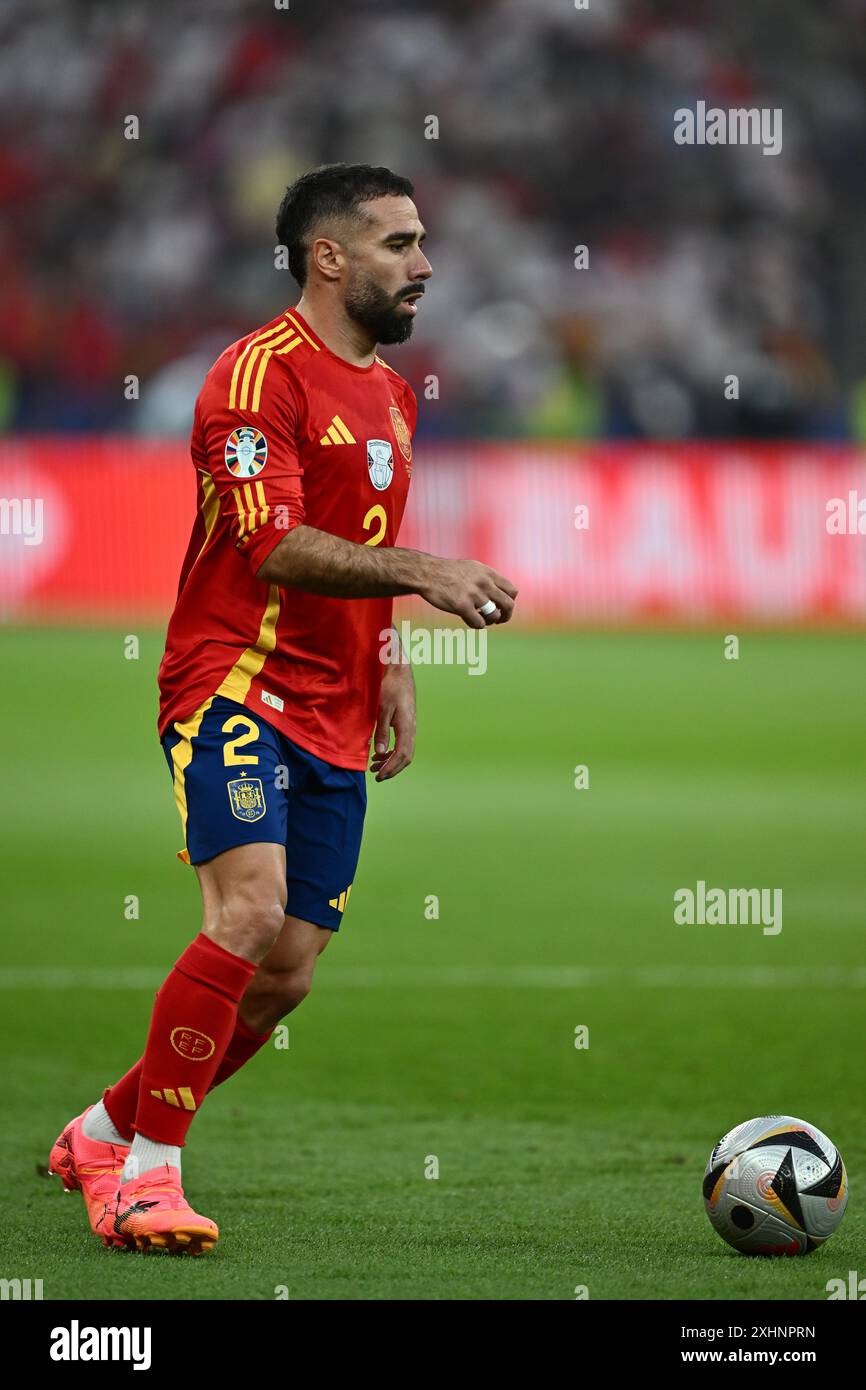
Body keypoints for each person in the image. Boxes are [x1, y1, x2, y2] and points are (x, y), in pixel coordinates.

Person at [49, 163, 518, 1254]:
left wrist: (390, 653)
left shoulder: (395, 397)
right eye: (400, 244)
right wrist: (425, 569)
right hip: (234, 678)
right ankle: (144, 1179)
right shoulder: (254, 377)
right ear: (329, 256)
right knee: (248, 913)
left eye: (419, 243)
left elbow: (354, 538)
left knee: (288, 969)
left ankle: (105, 1127)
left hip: (335, 700)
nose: (424, 265)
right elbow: (275, 544)